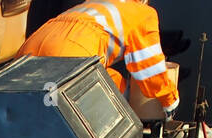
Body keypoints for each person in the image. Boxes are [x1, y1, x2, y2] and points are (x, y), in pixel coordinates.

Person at [18, 1, 180, 117]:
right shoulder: (143, 13)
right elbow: (150, 68)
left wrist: (125, 96)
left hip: (28, 50)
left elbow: (106, 77)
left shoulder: (93, 5)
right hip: (73, 53)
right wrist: (170, 100)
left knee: (30, 113)